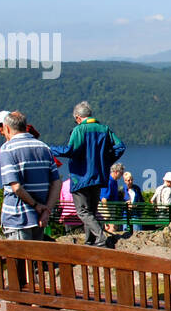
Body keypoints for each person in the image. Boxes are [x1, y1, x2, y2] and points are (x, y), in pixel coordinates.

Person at [0, 110, 60, 311]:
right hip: (40, 219)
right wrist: (46, 210)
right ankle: (37, 310)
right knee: (35, 264)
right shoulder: (43, 147)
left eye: (1, 129)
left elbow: (15, 187)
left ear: (8, 127)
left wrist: (34, 205)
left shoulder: (7, 149)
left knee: (22, 267)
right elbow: (57, 183)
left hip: (18, 216)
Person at [48, 101, 126, 247]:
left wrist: (50, 149)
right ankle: (90, 241)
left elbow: (70, 150)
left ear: (78, 117)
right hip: (99, 177)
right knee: (91, 210)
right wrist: (106, 160)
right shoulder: (104, 129)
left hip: (81, 178)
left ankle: (100, 236)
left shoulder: (79, 130)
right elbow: (120, 147)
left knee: (83, 212)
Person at [101, 162, 125, 232]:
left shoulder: (114, 181)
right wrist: (106, 211)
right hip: (107, 207)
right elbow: (103, 198)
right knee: (111, 227)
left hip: (112, 207)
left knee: (114, 226)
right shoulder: (109, 181)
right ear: (116, 172)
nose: (122, 175)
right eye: (121, 173)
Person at [121, 170, 143, 237]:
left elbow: (141, 200)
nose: (130, 182)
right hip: (126, 212)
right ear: (125, 181)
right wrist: (125, 203)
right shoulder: (122, 189)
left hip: (135, 211)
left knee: (137, 228)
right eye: (128, 180)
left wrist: (136, 204)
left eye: (131, 180)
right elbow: (120, 201)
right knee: (125, 227)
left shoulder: (136, 188)